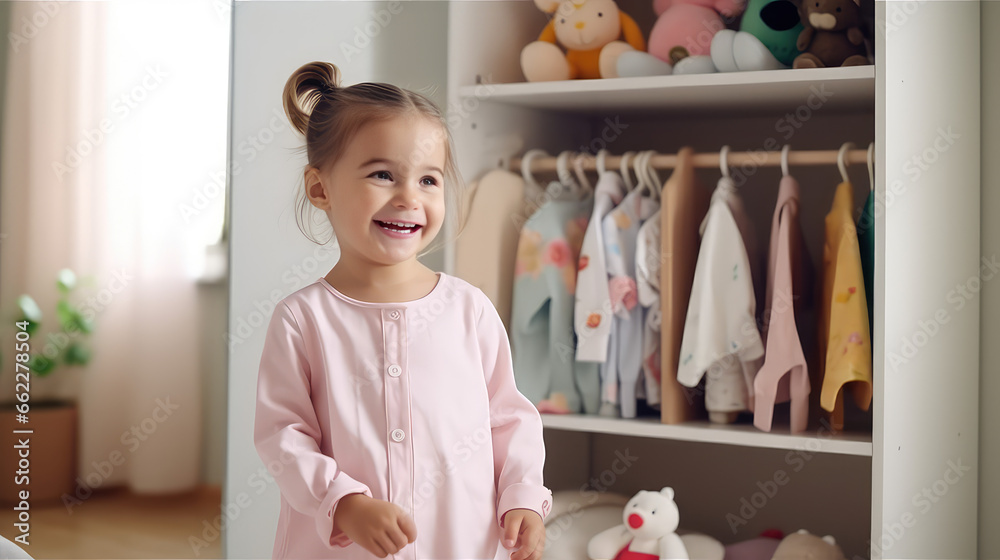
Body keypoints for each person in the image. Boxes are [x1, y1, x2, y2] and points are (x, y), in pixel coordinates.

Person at [253, 61, 551, 560]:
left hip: (458, 545)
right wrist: (342, 502)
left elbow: (510, 418)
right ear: (320, 188)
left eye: (429, 180)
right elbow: (283, 437)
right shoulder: (302, 319)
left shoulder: (468, 309)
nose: (409, 197)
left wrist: (522, 497)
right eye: (383, 174)